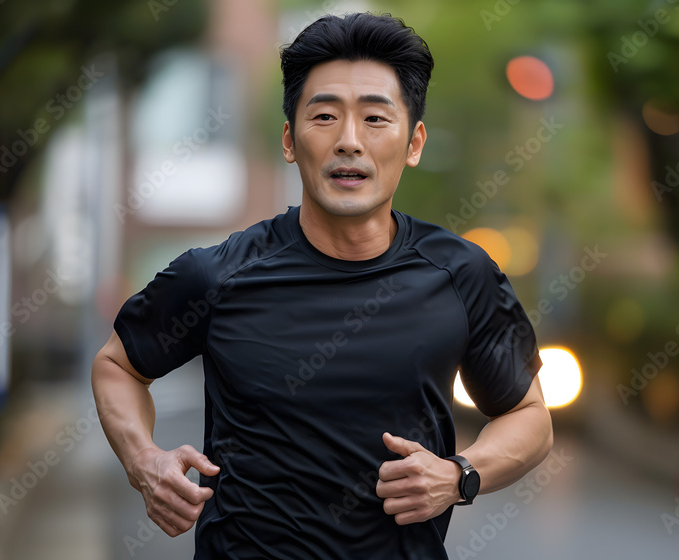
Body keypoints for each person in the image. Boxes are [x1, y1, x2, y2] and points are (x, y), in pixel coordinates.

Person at [91, 12, 553, 560]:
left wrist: (460, 475)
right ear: (289, 140)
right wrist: (144, 461)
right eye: (325, 116)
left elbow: (529, 417)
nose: (349, 141)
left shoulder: (460, 274)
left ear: (414, 142)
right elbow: (118, 366)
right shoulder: (217, 274)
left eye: (376, 118)